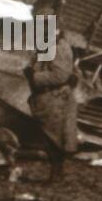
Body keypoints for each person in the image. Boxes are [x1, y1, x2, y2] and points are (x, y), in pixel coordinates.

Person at [24, 27, 79, 180]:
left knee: (55, 139)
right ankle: (57, 174)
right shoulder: (47, 46)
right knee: (51, 138)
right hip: (47, 97)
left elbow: (60, 75)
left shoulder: (58, 47)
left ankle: (57, 174)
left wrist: (34, 77)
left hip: (55, 97)